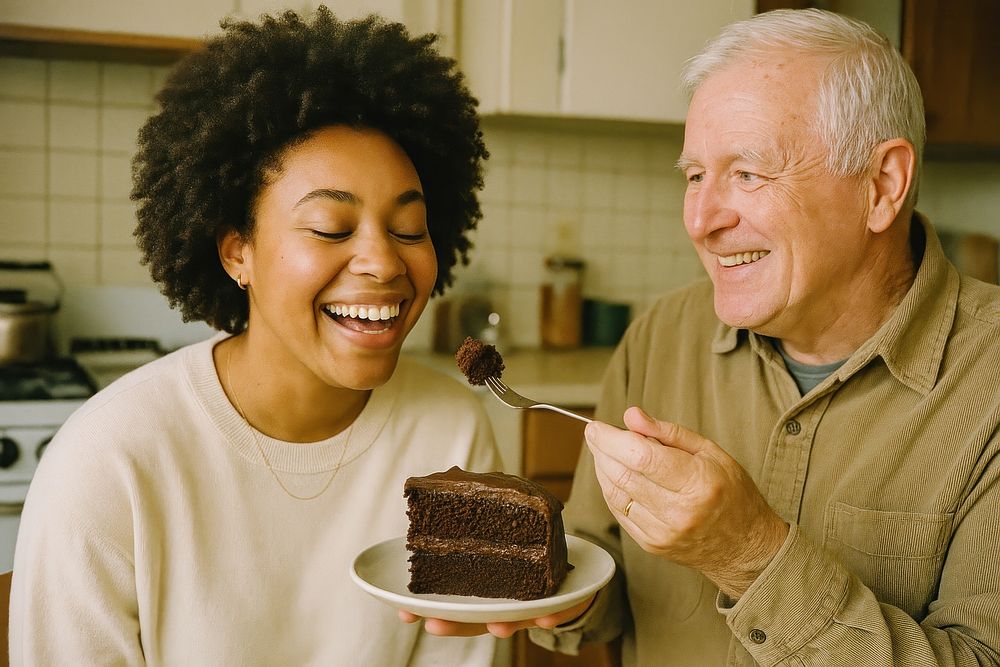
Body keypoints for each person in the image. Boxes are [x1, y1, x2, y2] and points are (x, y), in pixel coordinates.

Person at [415, 8, 1000, 665]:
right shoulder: (659, 337)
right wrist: (559, 593)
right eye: (695, 176)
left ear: (881, 185)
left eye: (747, 173)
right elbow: (600, 570)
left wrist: (748, 552)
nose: (700, 218)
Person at [9, 8, 501, 665]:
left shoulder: (452, 435)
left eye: (409, 230)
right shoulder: (108, 461)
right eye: (331, 227)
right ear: (238, 252)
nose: (384, 262)